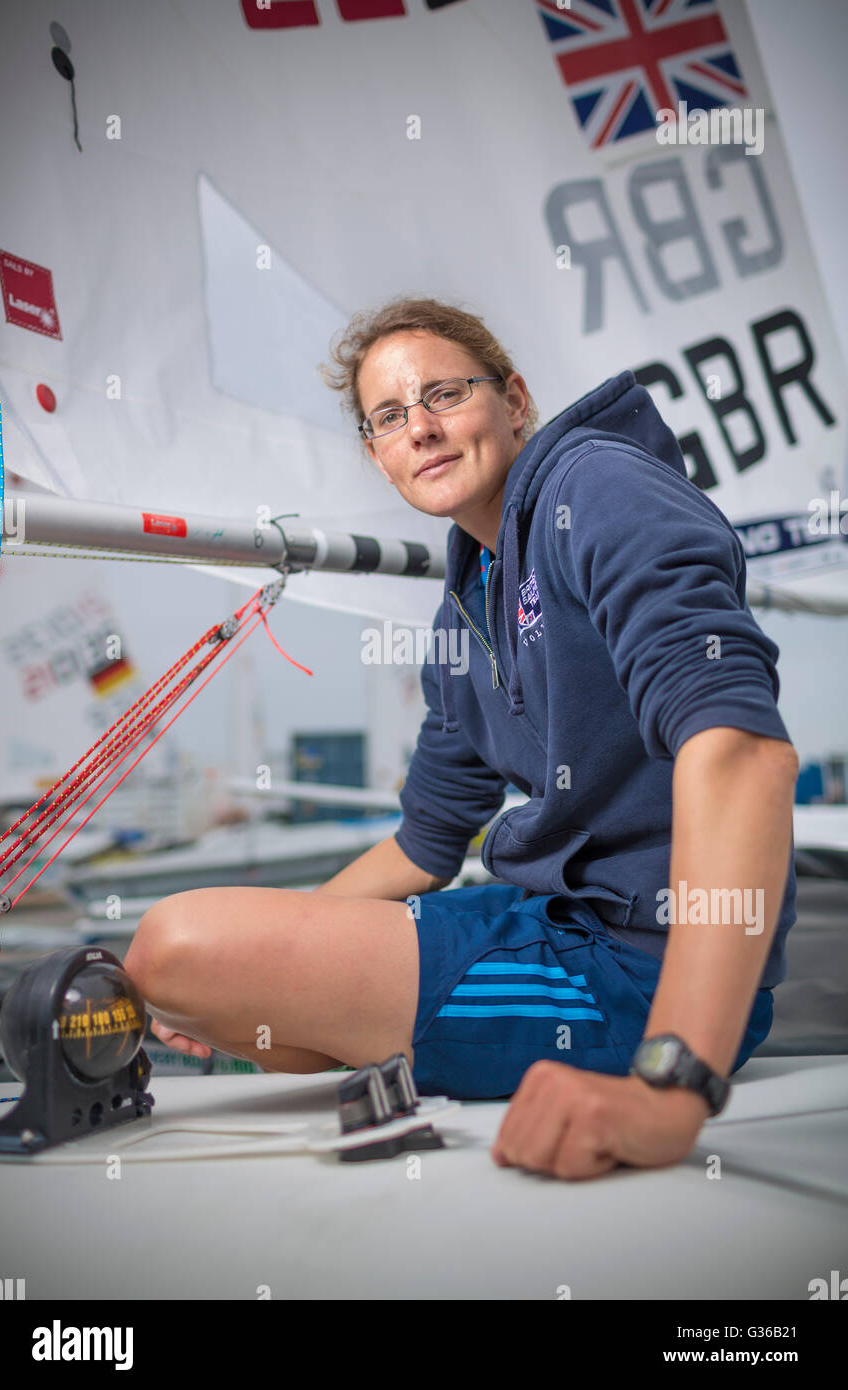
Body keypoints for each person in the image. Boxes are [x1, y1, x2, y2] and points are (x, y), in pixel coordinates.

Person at [125, 296, 799, 1181]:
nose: (423, 429)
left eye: (446, 393)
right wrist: (249, 963)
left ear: (514, 401)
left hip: (646, 972)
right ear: (376, 453)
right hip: (549, 924)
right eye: (392, 416)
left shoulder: (596, 486)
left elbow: (744, 749)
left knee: (177, 945)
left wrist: (670, 1084)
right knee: (228, 1001)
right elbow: (425, 842)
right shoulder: (464, 608)